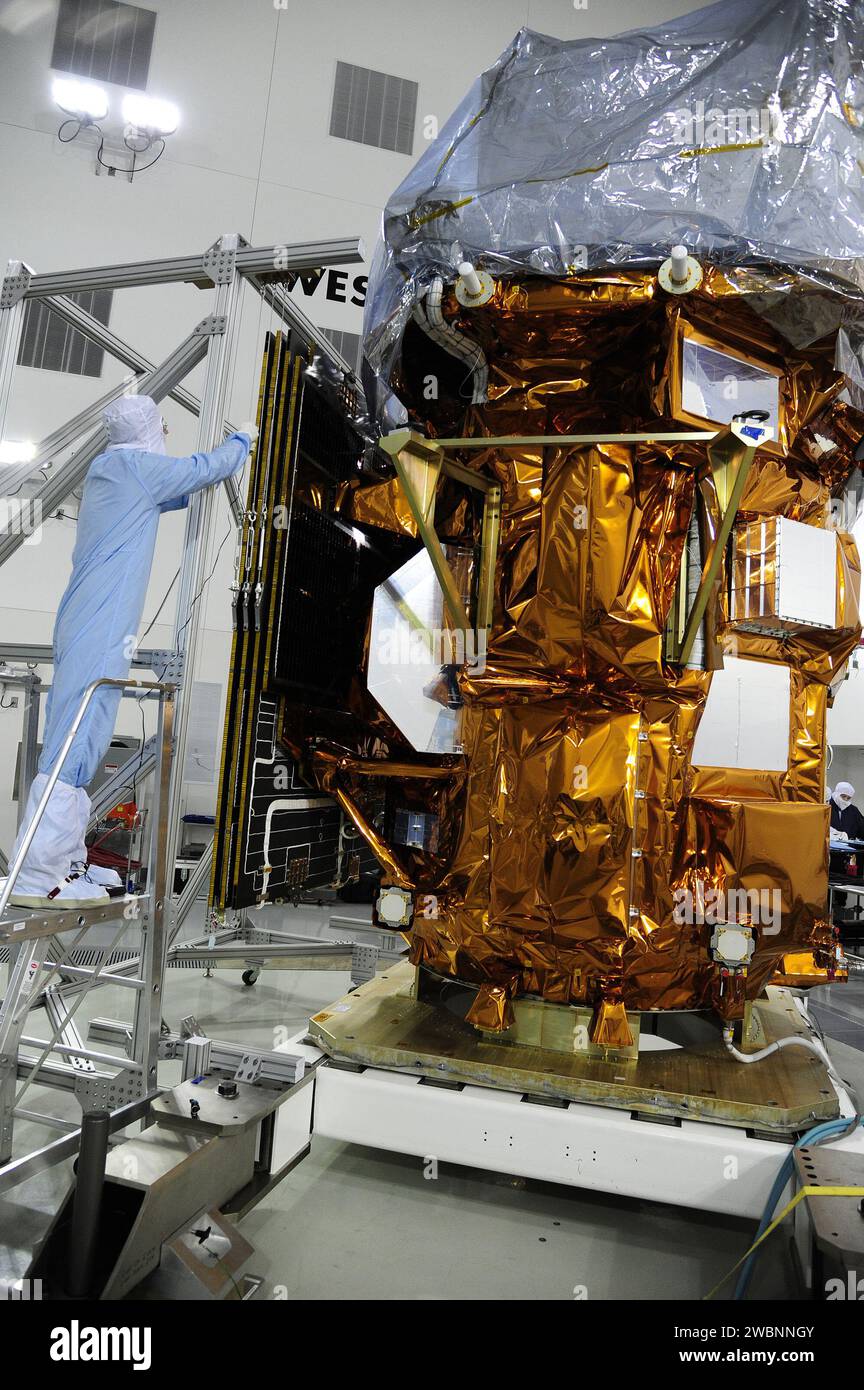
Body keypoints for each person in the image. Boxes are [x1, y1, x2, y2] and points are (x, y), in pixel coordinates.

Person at [3, 395, 257, 909]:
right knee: (76, 743)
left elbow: (180, 491)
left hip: (94, 618)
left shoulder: (114, 471)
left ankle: (62, 865)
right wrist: (245, 440)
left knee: (83, 741)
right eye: (160, 424)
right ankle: (38, 875)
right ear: (145, 429)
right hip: (99, 621)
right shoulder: (135, 468)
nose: (164, 430)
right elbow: (203, 469)